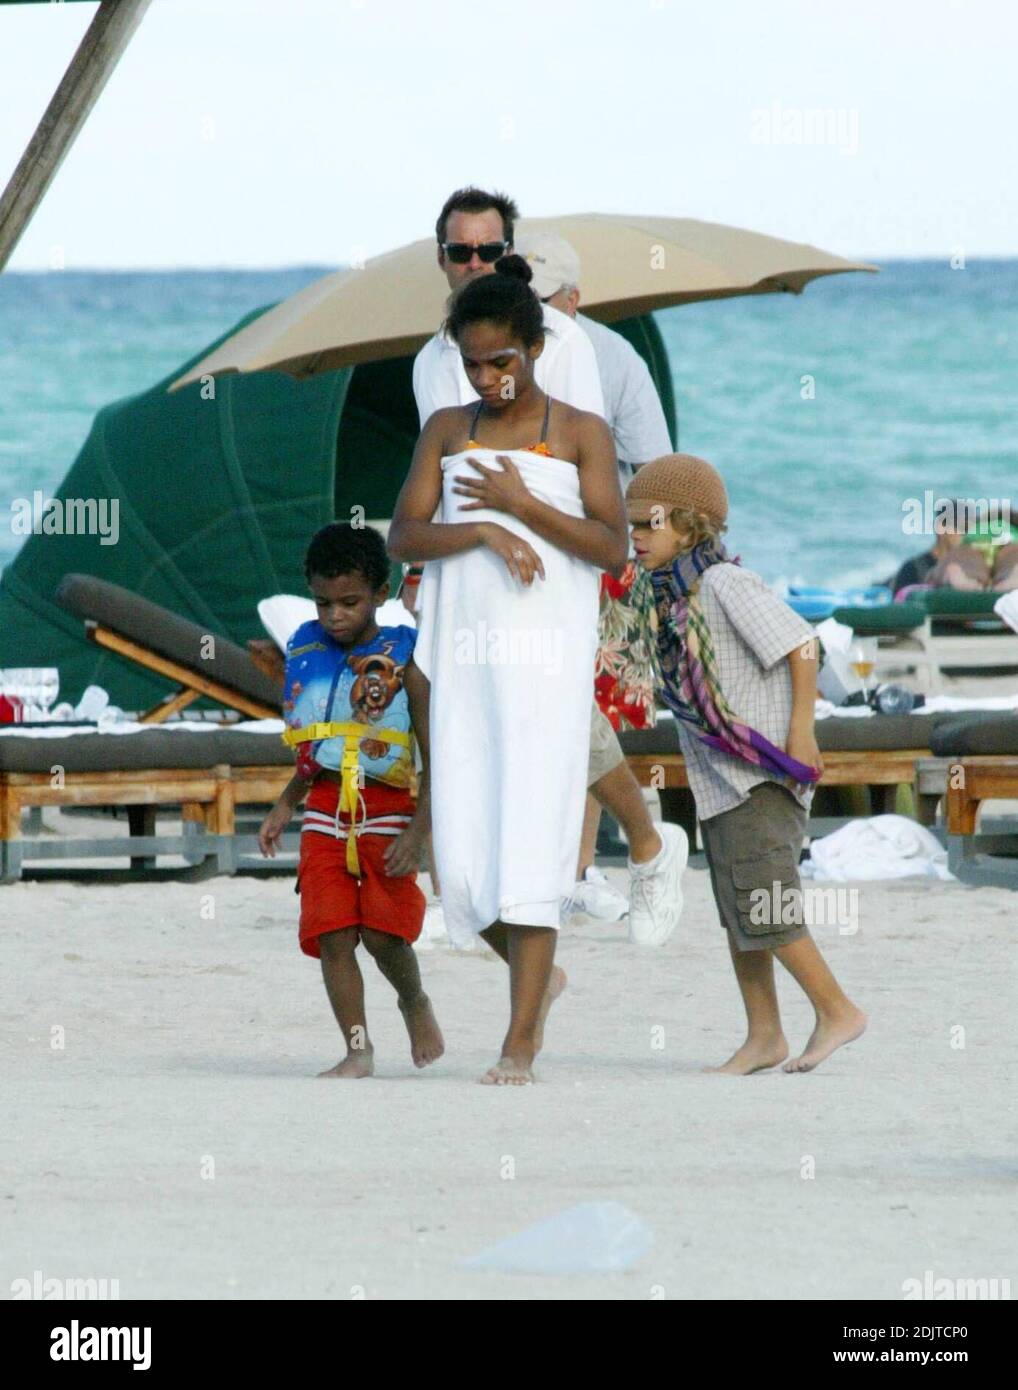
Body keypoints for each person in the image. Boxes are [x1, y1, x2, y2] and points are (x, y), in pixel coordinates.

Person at [414, 187, 686, 947]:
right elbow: (436, 477)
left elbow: (575, 462)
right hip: (466, 569)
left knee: (563, 713)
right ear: (441, 259)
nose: (476, 264)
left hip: (555, 564)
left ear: (512, 255)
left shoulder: (564, 343)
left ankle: (644, 842)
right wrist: (450, 548)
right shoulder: (429, 364)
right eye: (461, 251)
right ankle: (490, 883)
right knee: (462, 709)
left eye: (491, 251)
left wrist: (517, 510)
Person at [389, 256, 629, 1085]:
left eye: (504, 360)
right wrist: (486, 531)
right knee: (460, 855)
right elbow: (404, 536)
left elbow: (611, 546)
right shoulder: (447, 430)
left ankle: (519, 1040)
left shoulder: (579, 432)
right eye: (474, 363)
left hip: (543, 670)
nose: (489, 378)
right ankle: (537, 987)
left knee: (531, 844)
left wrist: (524, 506)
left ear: (535, 347)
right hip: (464, 664)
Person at [627, 455, 867, 1074]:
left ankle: (837, 1008)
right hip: (720, 784)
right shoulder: (669, 599)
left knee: (766, 906)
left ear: (689, 524)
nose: (636, 537)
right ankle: (765, 1034)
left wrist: (800, 730)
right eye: (631, 527)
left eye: (648, 525)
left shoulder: (725, 584)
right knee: (740, 912)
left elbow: (802, 643)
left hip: (759, 774)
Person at [516, 229, 674, 919]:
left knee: (589, 716)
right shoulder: (491, 355)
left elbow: (657, 469)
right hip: (520, 553)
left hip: (603, 556)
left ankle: (577, 868)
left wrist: (655, 569)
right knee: (533, 711)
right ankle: (547, 865)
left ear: (573, 300)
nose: (529, 314)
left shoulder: (612, 358)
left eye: (543, 303)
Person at [258, 523, 444, 1079]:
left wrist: (419, 832)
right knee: (332, 932)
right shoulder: (307, 650)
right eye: (322, 602)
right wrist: (285, 803)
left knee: (384, 935)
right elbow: (319, 742)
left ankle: (413, 1001)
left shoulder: (407, 661)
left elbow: (436, 757)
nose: (334, 615)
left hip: (388, 807)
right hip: (322, 807)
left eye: (349, 602)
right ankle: (357, 1048)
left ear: (380, 596)